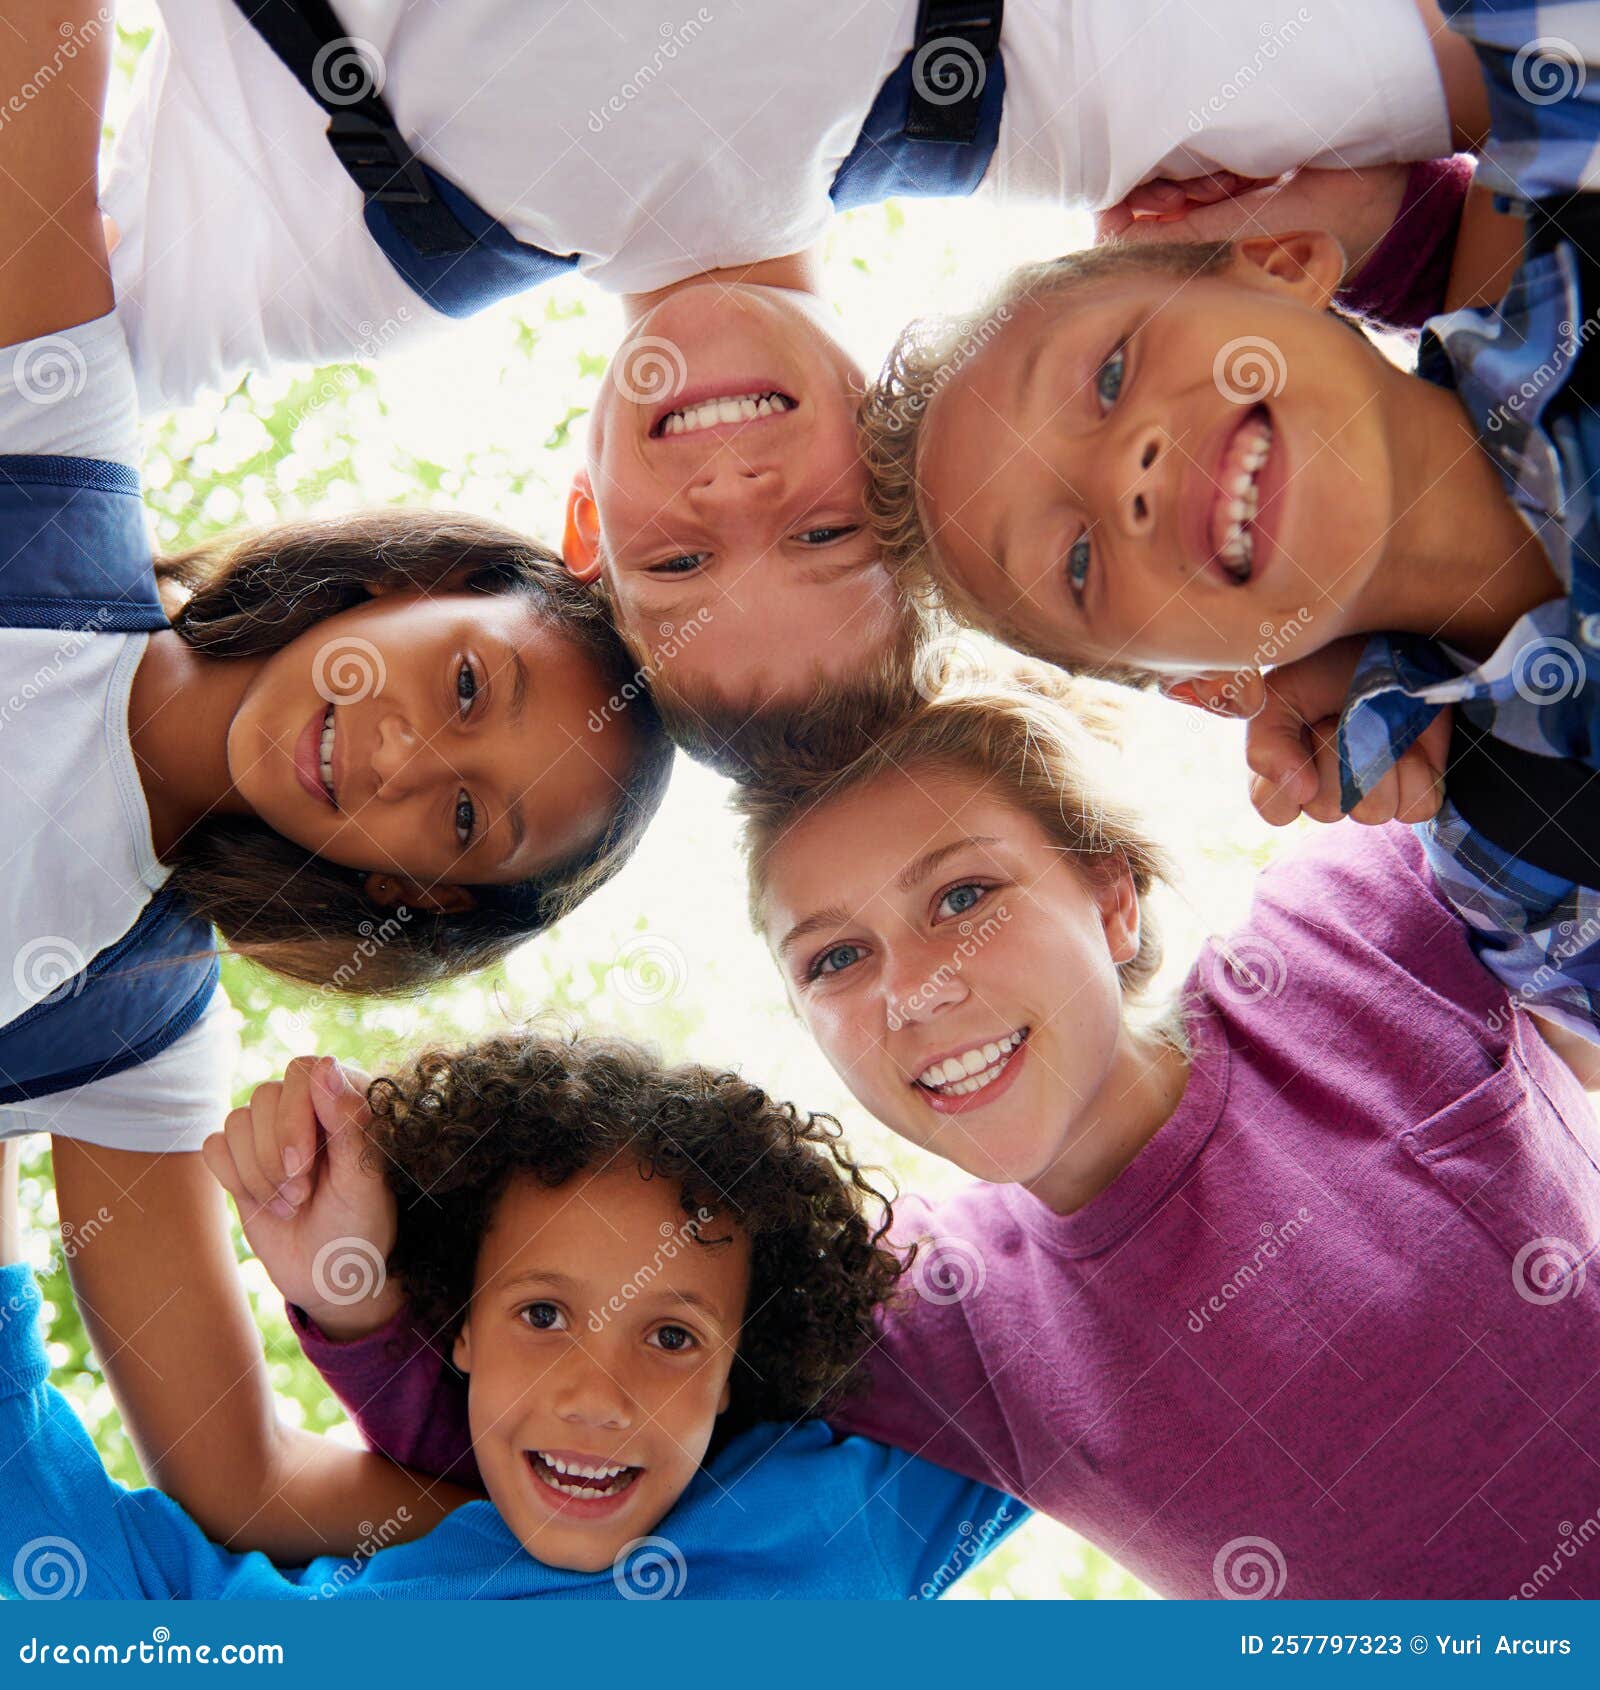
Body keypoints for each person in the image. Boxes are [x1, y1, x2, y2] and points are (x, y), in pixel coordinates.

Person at [0, 0, 667, 1553]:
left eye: (458, 814)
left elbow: (248, 1485)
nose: (397, 751)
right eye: (464, 682)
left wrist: (648, 1500)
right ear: (416, 579)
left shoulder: (121, 1030)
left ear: (409, 891)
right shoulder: (48, 462)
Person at [0, 1035, 1020, 1599]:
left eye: (671, 1336)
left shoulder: (832, 1517)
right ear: (460, 1329)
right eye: (541, 1312)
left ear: (736, 1365)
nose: (595, 1396)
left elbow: (1095, 1251)